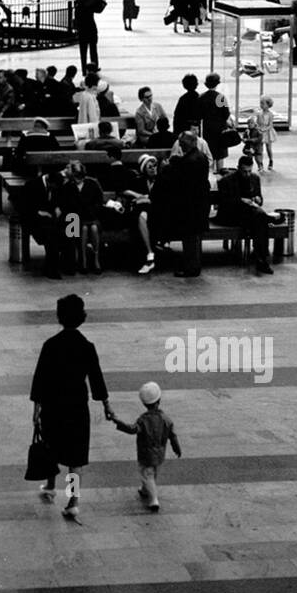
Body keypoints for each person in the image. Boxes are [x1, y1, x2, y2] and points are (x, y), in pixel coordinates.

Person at [29, 293, 113, 519]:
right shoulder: (87, 346)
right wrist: (106, 404)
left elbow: (40, 378)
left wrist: (37, 407)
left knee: (51, 448)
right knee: (75, 459)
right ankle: (73, 501)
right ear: (81, 317)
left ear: (59, 317)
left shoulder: (50, 345)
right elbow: (96, 378)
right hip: (77, 407)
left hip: (53, 405)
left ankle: (49, 486)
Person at [107, 382, 182, 513]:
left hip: (145, 454)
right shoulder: (166, 419)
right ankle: (144, 489)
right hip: (160, 454)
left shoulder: (143, 420)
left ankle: (154, 500)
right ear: (159, 400)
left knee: (147, 474)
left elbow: (132, 429)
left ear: (144, 403)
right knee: (152, 473)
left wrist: (118, 421)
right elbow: (173, 435)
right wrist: (177, 448)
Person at [215, 153, 278, 275]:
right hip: (231, 214)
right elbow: (223, 203)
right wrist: (241, 200)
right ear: (238, 168)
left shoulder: (254, 178)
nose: (247, 174)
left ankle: (260, 255)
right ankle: (262, 256)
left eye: (249, 171)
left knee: (259, 217)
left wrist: (258, 199)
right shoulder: (226, 181)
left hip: (249, 214)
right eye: (244, 171)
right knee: (260, 218)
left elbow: (260, 198)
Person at [159, 132, 211, 277]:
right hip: (198, 205)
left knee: (189, 238)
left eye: (182, 142)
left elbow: (178, 180)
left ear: (189, 142)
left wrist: (165, 168)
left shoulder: (190, 161)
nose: (180, 144)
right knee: (192, 238)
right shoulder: (200, 157)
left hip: (190, 207)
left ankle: (191, 268)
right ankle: (193, 265)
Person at [56, 161, 107, 274]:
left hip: (91, 216)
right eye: (76, 176)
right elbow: (65, 205)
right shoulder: (67, 186)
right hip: (74, 217)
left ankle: (95, 259)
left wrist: (90, 211)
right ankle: (82, 260)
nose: (78, 179)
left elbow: (99, 202)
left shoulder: (92, 183)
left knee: (93, 227)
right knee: (82, 228)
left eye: (80, 176)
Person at [199, 73, 235, 163]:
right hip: (220, 129)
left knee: (209, 153)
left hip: (207, 129)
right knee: (220, 155)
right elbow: (226, 114)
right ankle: (219, 173)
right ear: (217, 84)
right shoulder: (220, 97)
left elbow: (199, 114)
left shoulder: (202, 97)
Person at [74, 0, 105, 72]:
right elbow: (100, 10)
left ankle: (84, 69)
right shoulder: (90, 7)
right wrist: (104, 2)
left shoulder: (78, 8)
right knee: (93, 49)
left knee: (83, 51)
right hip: (91, 30)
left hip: (82, 31)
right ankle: (94, 67)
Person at [251, 96, 277, 170]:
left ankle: (271, 160)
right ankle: (260, 163)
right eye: (261, 103)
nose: (261, 105)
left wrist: (265, 129)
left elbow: (271, 124)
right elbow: (257, 123)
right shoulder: (259, 114)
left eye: (263, 103)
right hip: (260, 132)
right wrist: (258, 128)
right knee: (260, 148)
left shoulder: (270, 114)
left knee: (268, 148)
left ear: (268, 105)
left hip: (268, 132)